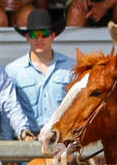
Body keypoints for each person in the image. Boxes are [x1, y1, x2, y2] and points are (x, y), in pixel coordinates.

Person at [5, 8, 72, 136]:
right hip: (27, 140)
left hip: (61, 139)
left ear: (53, 35)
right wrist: (6, 143)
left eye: (44, 33)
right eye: (34, 34)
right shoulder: (12, 70)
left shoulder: (71, 68)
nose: (39, 39)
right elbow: (7, 112)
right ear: (27, 37)